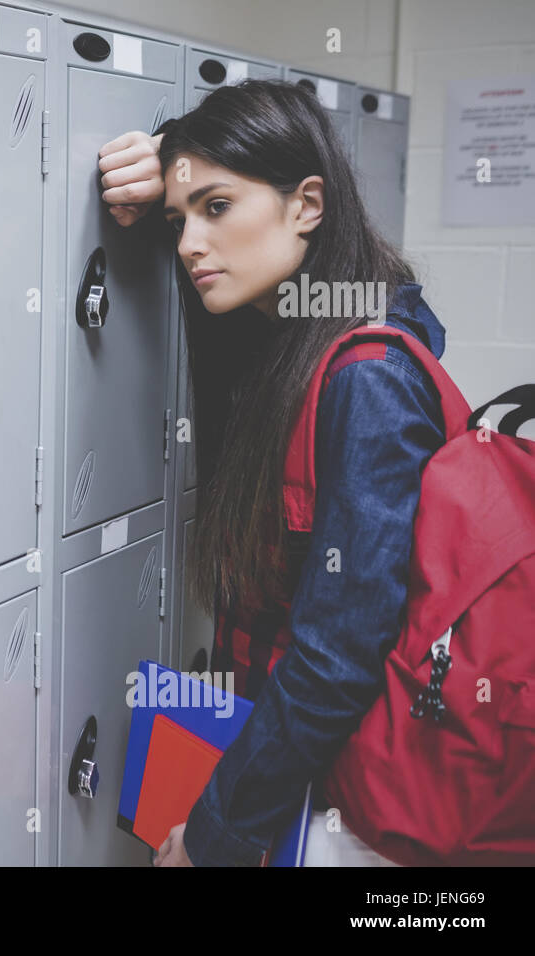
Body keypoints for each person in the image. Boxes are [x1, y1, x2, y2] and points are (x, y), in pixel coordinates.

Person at [97, 79, 447, 866]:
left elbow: (335, 656)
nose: (188, 244)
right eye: (178, 221)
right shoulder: (307, 323)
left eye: (216, 209)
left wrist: (219, 834)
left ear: (308, 205)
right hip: (293, 787)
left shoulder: (367, 378)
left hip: (342, 818)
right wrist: (174, 162)